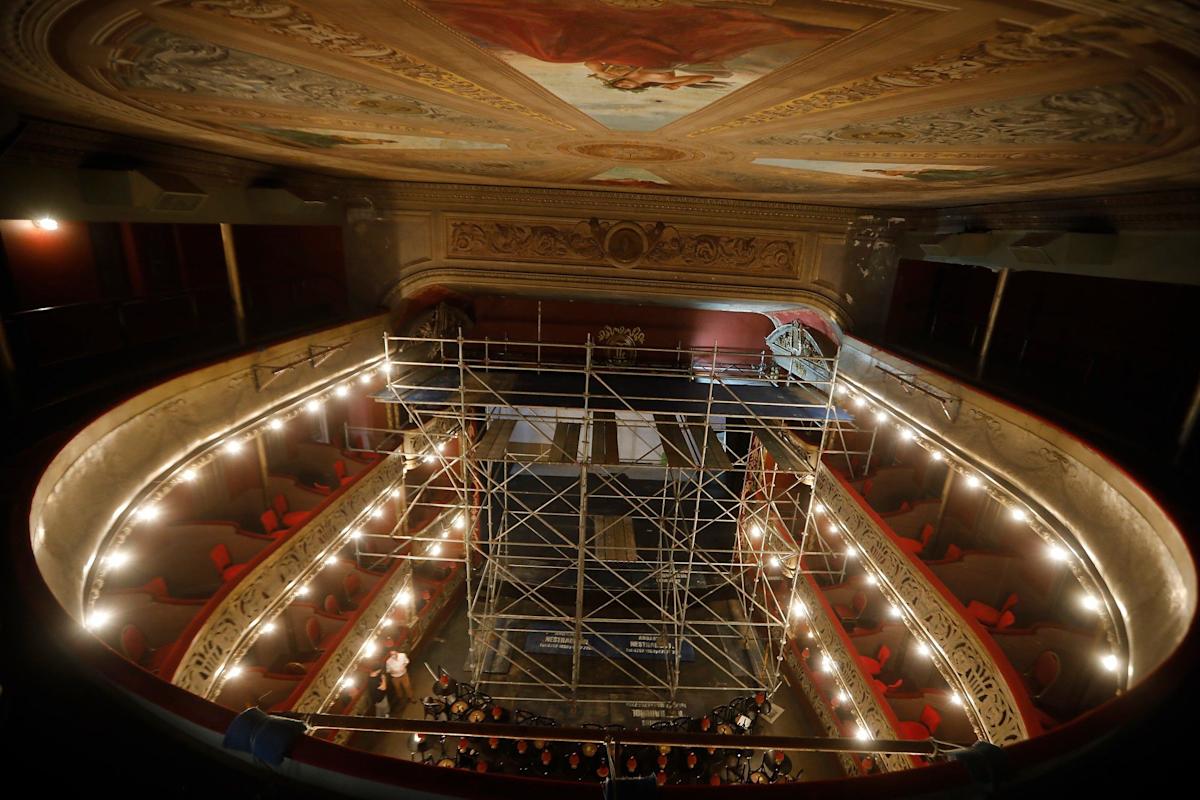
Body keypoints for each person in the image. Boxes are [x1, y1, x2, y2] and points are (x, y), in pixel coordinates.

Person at [385, 647, 414, 712]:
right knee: (398, 689)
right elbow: (387, 670)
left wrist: (404, 666)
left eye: (394, 654)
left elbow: (407, 661)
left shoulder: (402, 655)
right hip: (395, 677)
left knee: (407, 686)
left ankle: (411, 697)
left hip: (404, 675)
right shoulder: (388, 662)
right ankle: (402, 701)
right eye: (392, 655)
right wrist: (392, 671)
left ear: (397, 652)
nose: (393, 656)